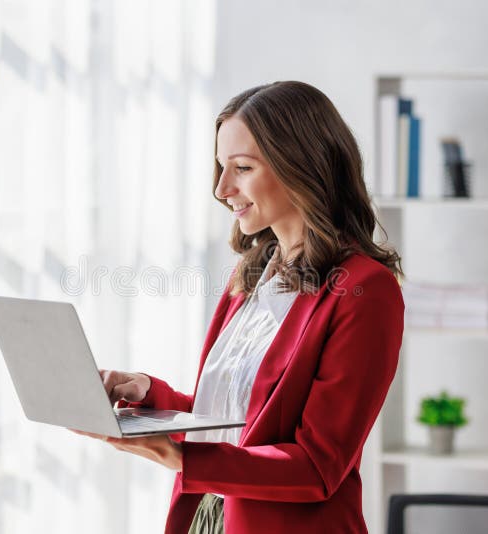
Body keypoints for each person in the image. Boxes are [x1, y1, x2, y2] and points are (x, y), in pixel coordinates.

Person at [71, 81, 404, 533]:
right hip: (210, 518)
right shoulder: (250, 276)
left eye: (242, 168)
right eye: (221, 167)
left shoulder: (366, 290)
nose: (222, 188)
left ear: (302, 166)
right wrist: (150, 394)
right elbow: (237, 424)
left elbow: (317, 466)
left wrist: (181, 457)